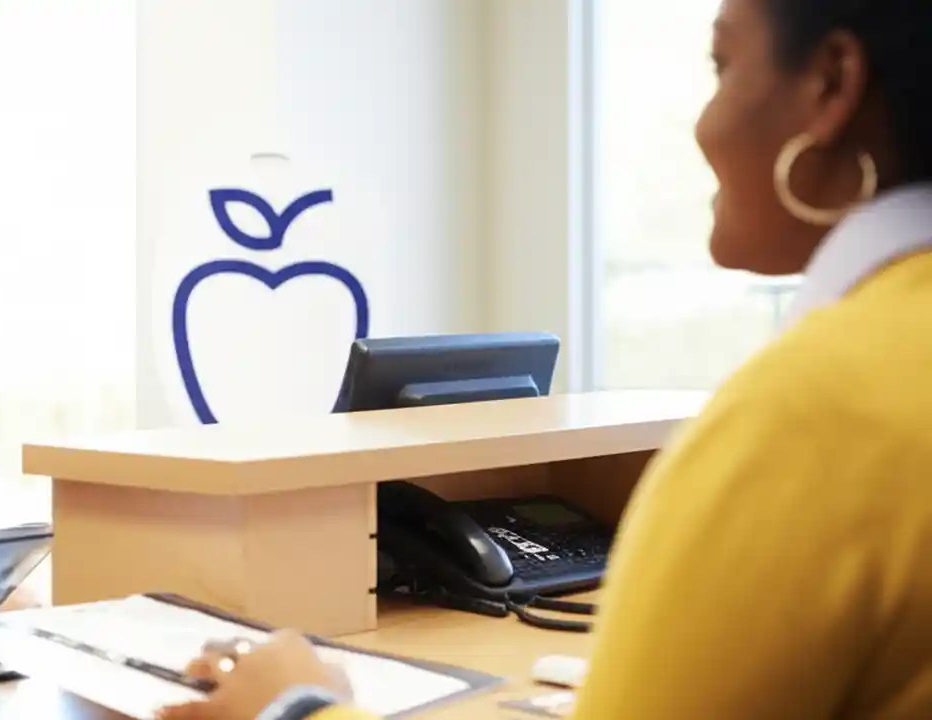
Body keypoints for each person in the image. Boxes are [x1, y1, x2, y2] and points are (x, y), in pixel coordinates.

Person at [158, 0, 932, 718]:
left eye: (722, 66)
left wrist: (300, 706)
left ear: (832, 83)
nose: (702, 122)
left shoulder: (811, 416)